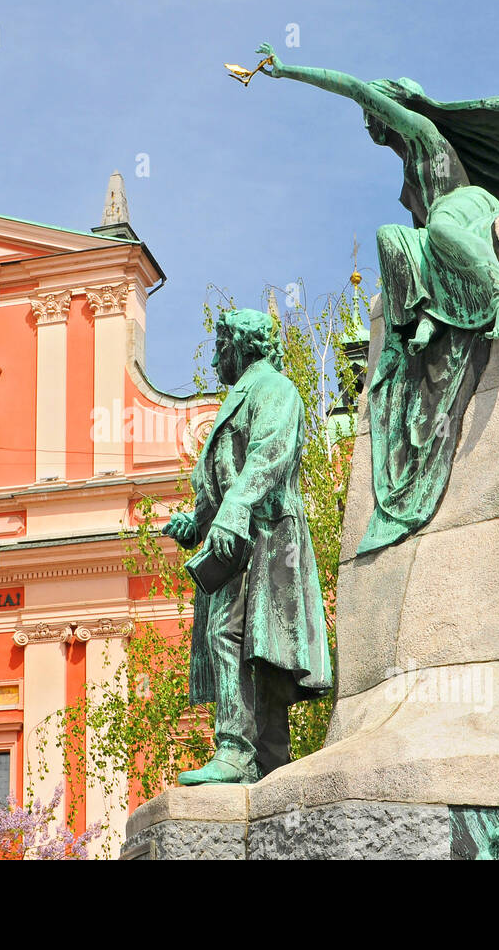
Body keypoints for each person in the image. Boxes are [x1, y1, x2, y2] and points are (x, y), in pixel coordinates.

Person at [250, 46, 499, 553]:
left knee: (440, 225)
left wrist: (288, 70)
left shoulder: (422, 132)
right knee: (388, 236)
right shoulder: (409, 167)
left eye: (372, 115)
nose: (369, 125)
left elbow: (353, 87)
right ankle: (422, 314)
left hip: (468, 208)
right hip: (438, 237)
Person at [163, 308, 332, 784]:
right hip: (236, 537)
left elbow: (267, 456)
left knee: (235, 636)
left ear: (241, 346)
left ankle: (237, 750)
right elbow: (221, 476)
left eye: (221, 347)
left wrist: (234, 509)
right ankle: (269, 762)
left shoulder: (274, 388)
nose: (216, 359)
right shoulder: (240, 396)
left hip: (266, 534)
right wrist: (196, 521)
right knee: (256, 646)